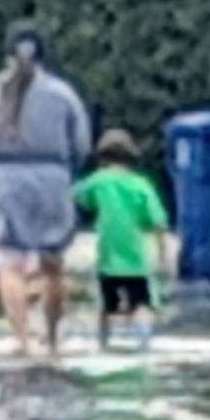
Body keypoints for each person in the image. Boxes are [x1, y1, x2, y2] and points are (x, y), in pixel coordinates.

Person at [0, 21, 93, 356]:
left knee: (11, 262)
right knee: (53, 264)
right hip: (53, 176)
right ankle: (51, 337)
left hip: (3, 177)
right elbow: (81, 142)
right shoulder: (62, 93)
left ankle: (22, 341)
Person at [73, 128, 171, 349]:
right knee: (142, 305)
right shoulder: (141, 185)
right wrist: (163, 256)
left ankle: (103, 343)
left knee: (106, 308)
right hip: (137, 260)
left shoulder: (96, 182)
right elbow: (158, 222)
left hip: (108, 260)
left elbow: (79, 198)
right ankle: (143, 342)